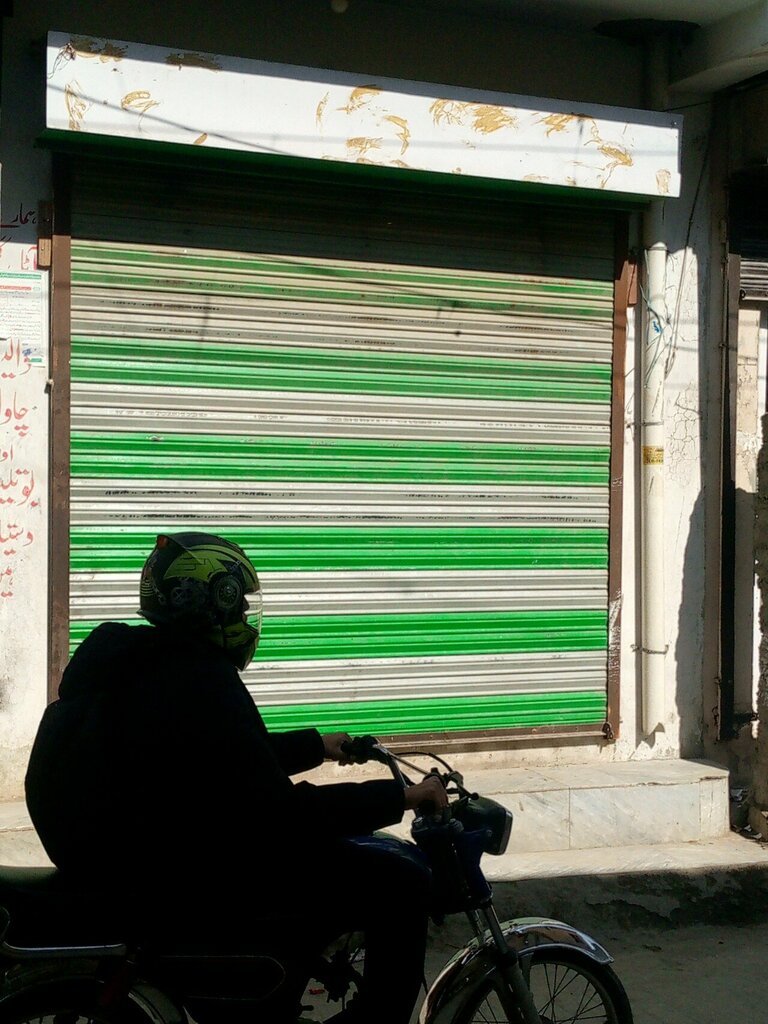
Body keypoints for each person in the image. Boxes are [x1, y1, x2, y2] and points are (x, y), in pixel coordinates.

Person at [25, 531, 447, 1024]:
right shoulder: (199, 677)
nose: (246, 617)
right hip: (179, 870)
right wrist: (401, 796)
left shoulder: (143, 660)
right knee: (398, 880)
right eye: (238, 603)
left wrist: (316, 746)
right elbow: (276, 811)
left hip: (132, 857)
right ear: (212, 599)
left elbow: (216, 759)